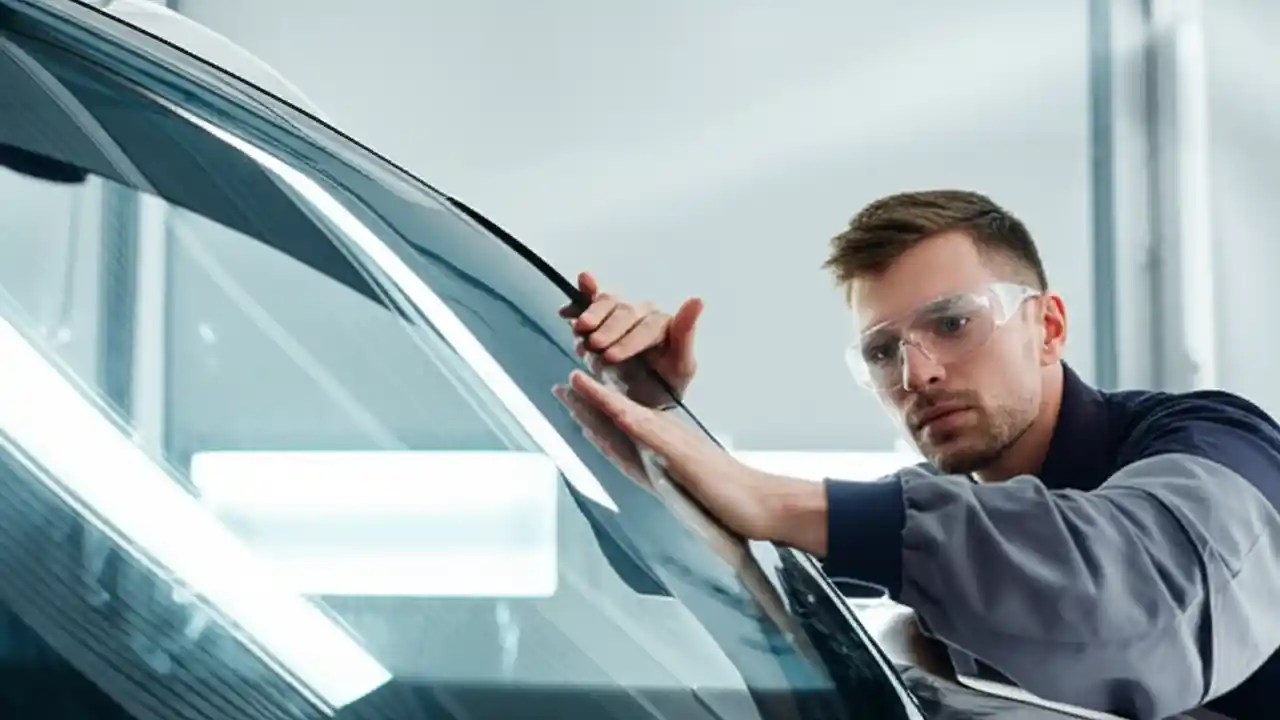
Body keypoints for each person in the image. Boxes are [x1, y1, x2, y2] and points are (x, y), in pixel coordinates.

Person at [561, 190, 1280, 720]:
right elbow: (685, 584)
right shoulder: (925, 532)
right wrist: (651, 416)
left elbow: (1138, 607)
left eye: (954, 323)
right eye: (882, 351)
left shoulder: (1222, 446)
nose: (918, 374)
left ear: (1049, 328)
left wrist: (777, 500)